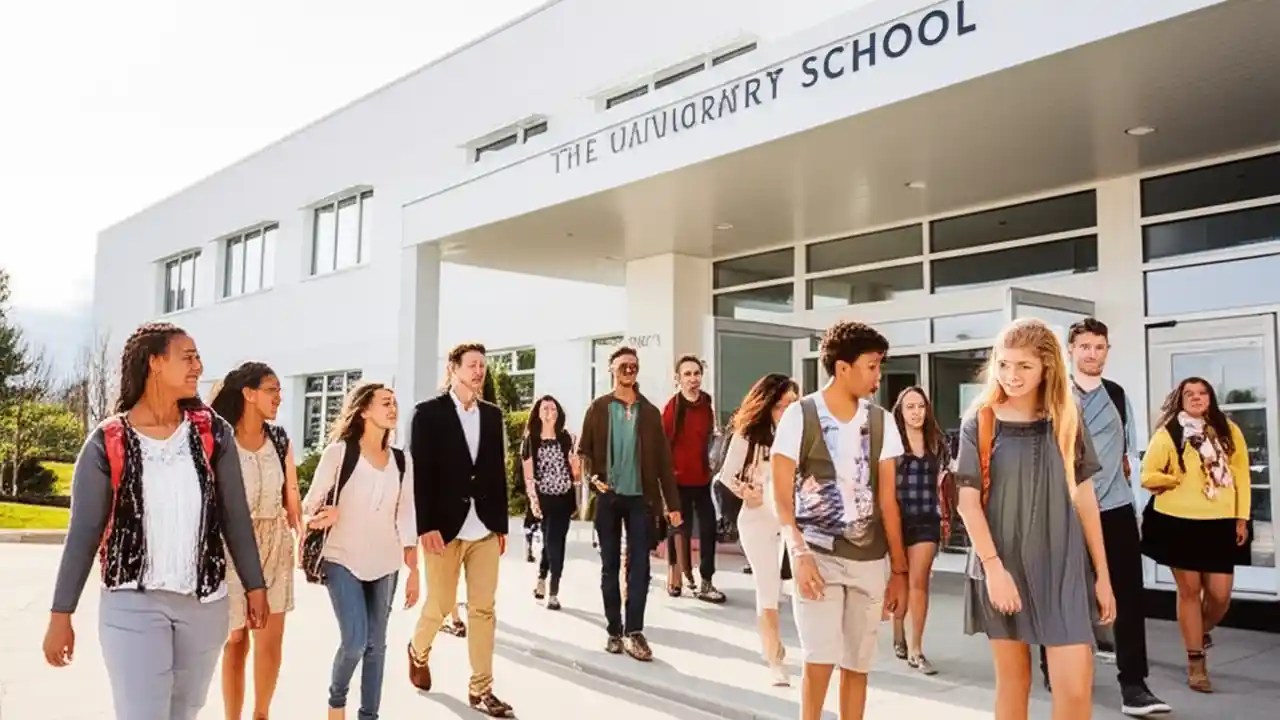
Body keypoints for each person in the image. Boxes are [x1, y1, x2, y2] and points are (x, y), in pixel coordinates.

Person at [43, 321, 268, 720]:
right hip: (132, 602)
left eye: (198, 357)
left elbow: (235, 516)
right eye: (188, 357)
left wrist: (255, 586)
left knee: (183, 713)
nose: (198, 366)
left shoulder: (213, 433)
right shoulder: (108, 440)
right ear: (155, 363)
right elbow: (84, 533)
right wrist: (61, 614)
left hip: (205, 604)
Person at [955, 317, 1116, 720]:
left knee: (1076, 691)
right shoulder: (981, 420)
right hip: (1001, 563)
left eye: (1023, 366)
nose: (1011, 375)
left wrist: (1104, 575)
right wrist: (994, 570)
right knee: (1014, 685)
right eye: (1004, 364)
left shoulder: (1067, 418)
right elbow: (967, 503)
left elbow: (1085, 498)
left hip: (1063, 566)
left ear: (1047, 366)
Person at [771, 321, 909, 720]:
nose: (878, 376)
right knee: (819, 659)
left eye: (879, 365)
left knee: (858, 664)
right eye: (871, 365)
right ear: (843, 367)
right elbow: (781, 496)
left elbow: (888, 502)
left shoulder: (882, 421)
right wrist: (797, 551)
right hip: (817, 554)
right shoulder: (800, 415)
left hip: (870, 561)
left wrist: (898, 569)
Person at [1065, 319, 1171, 715]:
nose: (1093, 353)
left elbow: (1127, 454)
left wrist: (1135, 506)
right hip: (1069, 512)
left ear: (1107, 350)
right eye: (1085, 346)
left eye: (1100, 346)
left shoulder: (1116, 394)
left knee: (1128, 596)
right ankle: (1054, 664)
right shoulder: (1056, 394)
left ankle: (1134, 686)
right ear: (1071, 350)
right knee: (1069, 593)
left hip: (1115, 508)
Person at [408, 343, 514, 718]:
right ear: (453, 369)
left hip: (484, 528)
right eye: (472, 365)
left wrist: (501, 524)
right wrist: (425, 527)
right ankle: (418, 650)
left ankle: (481, 690)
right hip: (444, 529)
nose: (479, 371)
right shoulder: (427, 414)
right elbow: (420, 476)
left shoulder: (492, 414)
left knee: (483, 609)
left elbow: (496, 472)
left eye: (483, 366)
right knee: (439, 605)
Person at [303, 381, 419, 720]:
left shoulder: (402, 460)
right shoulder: (340, 452)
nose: (393, 408)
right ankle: (336, 702)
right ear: (365, 410)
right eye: (385, 402)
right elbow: (310, 506)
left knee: (377, 646)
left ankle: (369, 716)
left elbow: (406, 513)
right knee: (355, 641)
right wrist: (326, 515)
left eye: (395, 402)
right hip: (342, 558)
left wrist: (414, 571)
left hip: (386, 561)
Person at [1140, 376, 1251, 694]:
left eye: (1202, 393)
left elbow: (1241, 473)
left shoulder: (1229, 431)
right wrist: (1172, 478)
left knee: (1220, 596)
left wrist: (1241, 518)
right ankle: (1196, 662)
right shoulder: (1169, 433)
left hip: (1220, 521)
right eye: (1189, 393)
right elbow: (1148, 473)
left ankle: (1197, 631)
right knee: (1189, 592)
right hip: (1178, 521)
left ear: (1211, 398)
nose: (1196, 398)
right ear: (1180, 399)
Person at [210, 362, 303, 720]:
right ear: (248, 394)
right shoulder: (221, 440)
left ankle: (261, 715)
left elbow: (291, 498)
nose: (279, 396)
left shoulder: (280, 440)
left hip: (274, 546)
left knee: (270, 642)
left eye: (280, 389)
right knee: (235, 640)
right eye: (272, 389)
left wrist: (306, 523)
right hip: (231, 546)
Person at [578, 346, 682, 661]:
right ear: (612, 369)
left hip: (640, 499)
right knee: (610, 566)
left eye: (633, 366)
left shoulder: (648, 412)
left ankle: (634, 631)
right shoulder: (598, 408)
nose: (629, 370)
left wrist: (672, 504)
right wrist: (592, 479)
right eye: (623, 365)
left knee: (641, 566)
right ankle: (613, 630)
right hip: (608, 499)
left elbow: (664, 462)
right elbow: (584, 453)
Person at [716, 373, 799, 686]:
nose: (787, 410)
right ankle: (775, 659)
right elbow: (726, 476)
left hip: (792, 519)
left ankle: (806, 652)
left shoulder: (801, 434)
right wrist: (745, 492)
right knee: (768, 591)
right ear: (768, 405)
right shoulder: (748, 435)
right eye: (781, 405)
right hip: (757, 519)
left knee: (800, 591)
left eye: (792, 403)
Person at [890, 386, 949, 676]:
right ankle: (898, 629)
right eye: (910, 407)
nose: (916, 412)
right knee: (899, 578)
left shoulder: (937, 442)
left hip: (927, 519)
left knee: (919, 581)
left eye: (921, 406)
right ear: (900, 412)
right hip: (896, 519)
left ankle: (916, 649)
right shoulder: (891, 442)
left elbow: (946, 479)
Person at [662, 355, 725, 602]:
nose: (692, 379)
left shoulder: (706, 405)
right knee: (678, 529)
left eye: (696, 373)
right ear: (678, 379)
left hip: (702, 480)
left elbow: (711, 436)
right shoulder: (672, 408)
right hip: (677, 480)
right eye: (687, 374)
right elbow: (662, 445)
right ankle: (675, 574)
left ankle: (706, 580)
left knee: (709, 529)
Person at [522, 395, 581, 610]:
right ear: (538, 412)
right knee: (550, 542)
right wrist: (533, 501)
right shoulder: (531, 440)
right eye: (545, 408)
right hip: (544, 499)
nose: (549, 412)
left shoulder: (567, 438)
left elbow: (576, 474)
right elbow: (528, 475)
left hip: (563, 499)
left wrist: (576, 466)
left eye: (553, 409)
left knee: (557, 542)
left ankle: (552, 590)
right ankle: (542, 578)